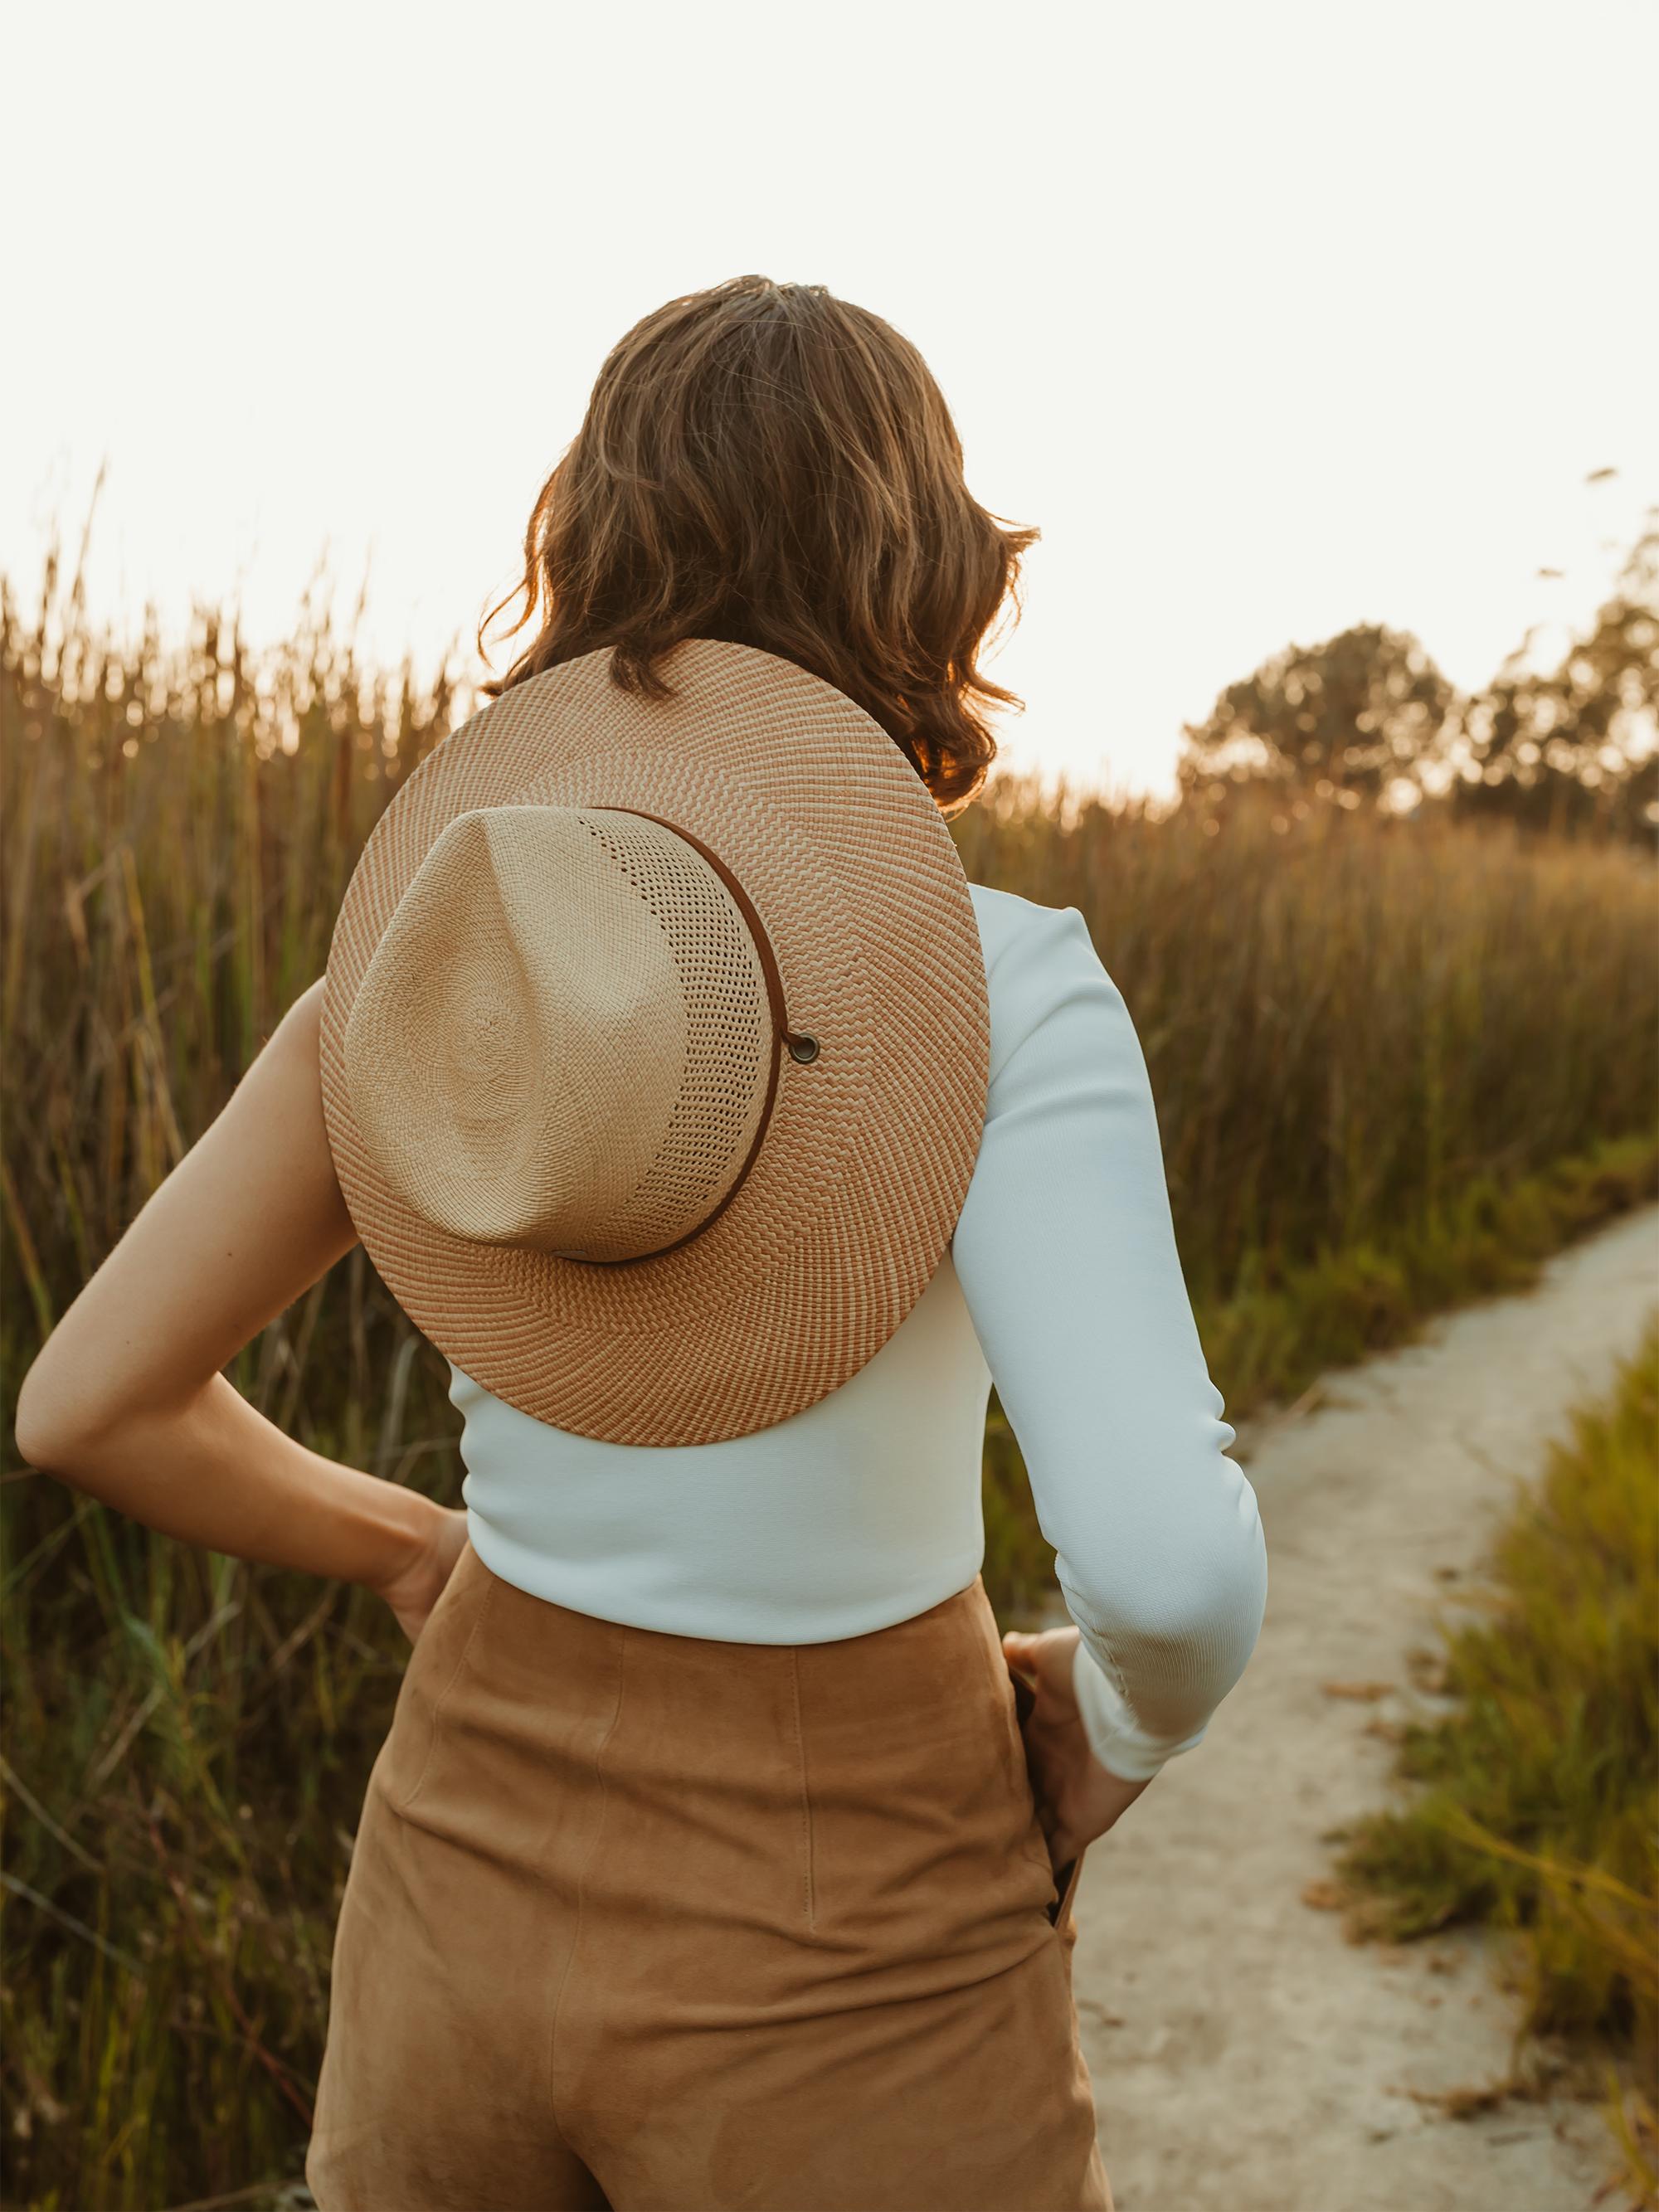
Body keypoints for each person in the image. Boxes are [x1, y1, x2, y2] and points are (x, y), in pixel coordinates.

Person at [15, 274, 1268, 2212]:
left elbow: (88, 1401)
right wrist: (1107, 1730)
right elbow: (1173, 1572)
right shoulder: (998, 983)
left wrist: (418, 1542)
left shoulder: (442, 964)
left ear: (582, 550)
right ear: (929, 574)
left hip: (454, 1885)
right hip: (851, 1931)